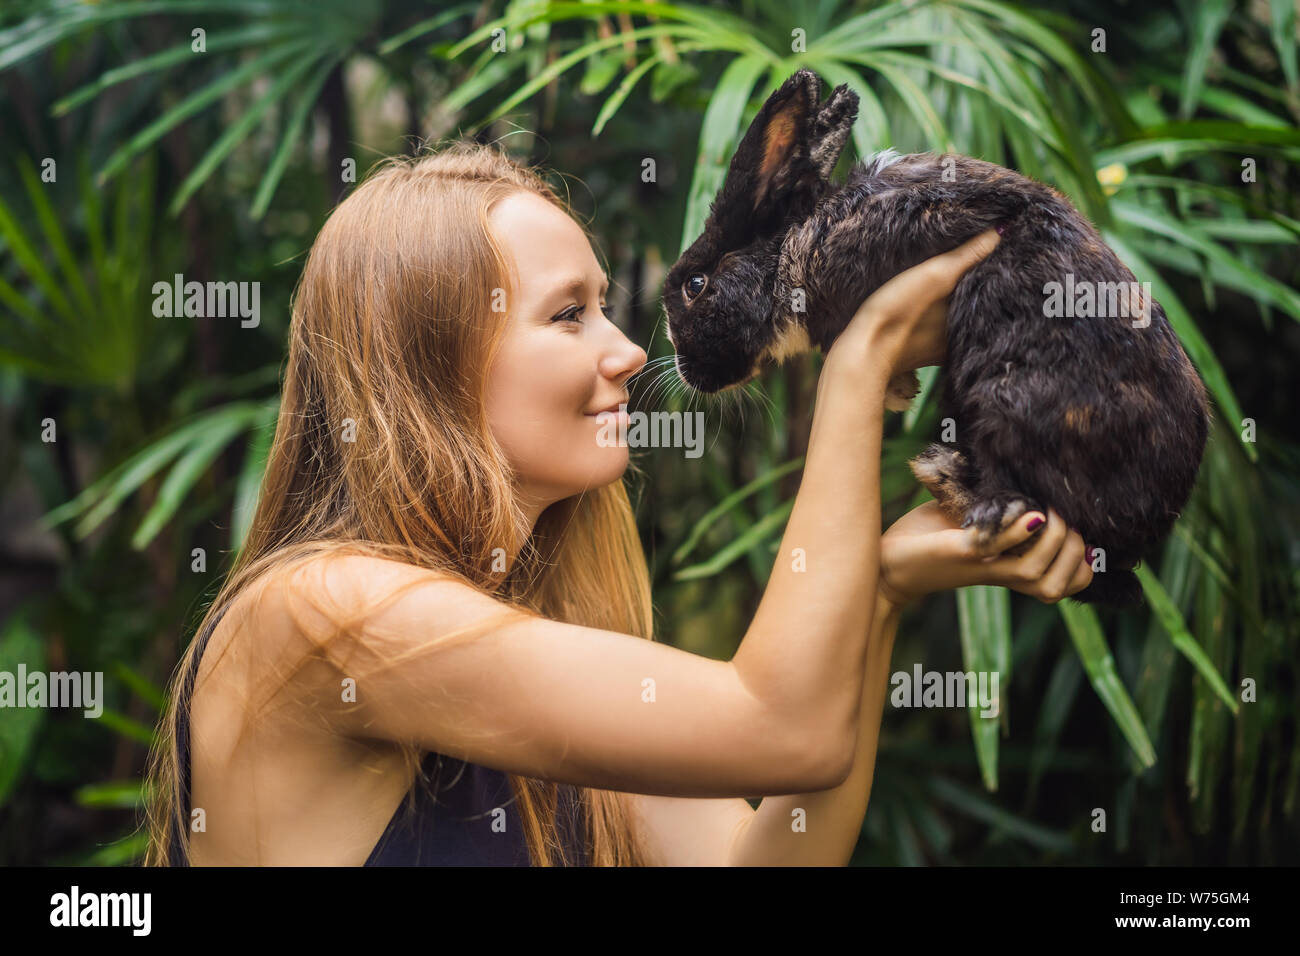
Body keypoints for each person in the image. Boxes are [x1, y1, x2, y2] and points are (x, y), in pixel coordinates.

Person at [142, 141, 1092, 867]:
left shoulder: (526, 638)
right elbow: (780, 728)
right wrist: (861, 358)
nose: (630, 351)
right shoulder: (316, 615)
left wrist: (880, 598)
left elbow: (758, 860)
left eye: (604, 305)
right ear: (434, 362)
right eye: (567, 315)